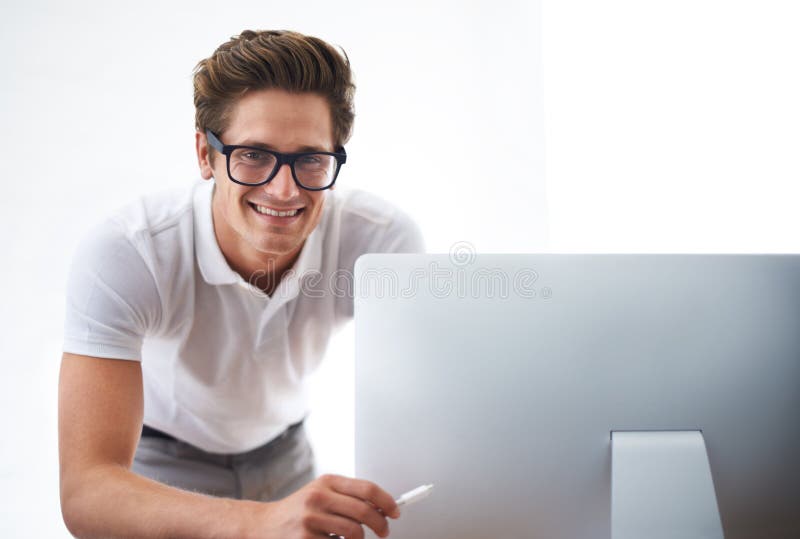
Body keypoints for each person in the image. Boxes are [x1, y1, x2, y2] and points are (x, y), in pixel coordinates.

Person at [58, 29, 423, 539]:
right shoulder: (131, 251)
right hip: (161, 469)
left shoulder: (380, 242)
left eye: (311, 159)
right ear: (205, 156)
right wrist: (260, 522)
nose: (284, 188)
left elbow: (421, 400)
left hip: (287, 458)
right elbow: (87, 489)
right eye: (253, 155)